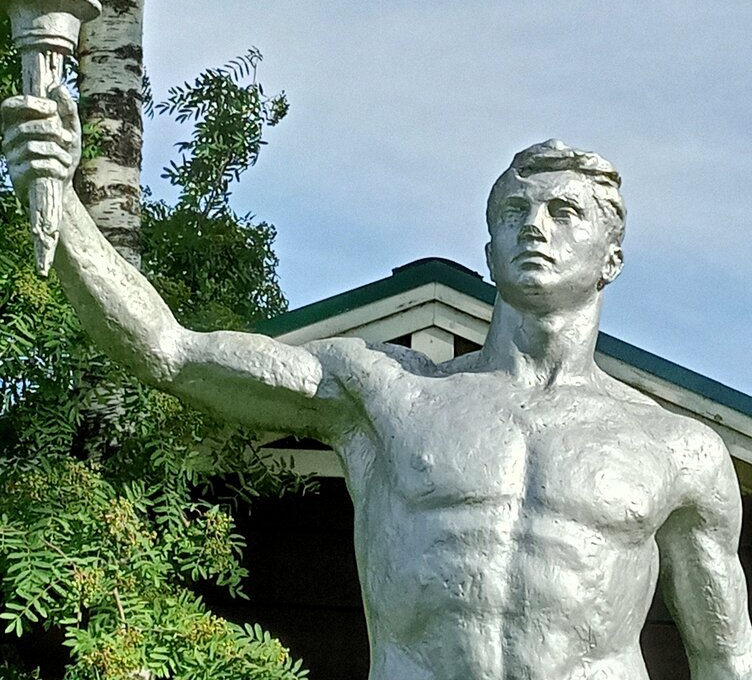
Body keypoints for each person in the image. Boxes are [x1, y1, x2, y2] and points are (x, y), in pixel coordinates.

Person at [3, 98, 752, 680]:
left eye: (565, 213)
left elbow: (724, 658)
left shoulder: (679, 449)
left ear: (611, 257)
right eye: (514, 213)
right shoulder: (388, 392)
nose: (536, 228)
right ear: (486, 248)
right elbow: (170, 353)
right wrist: (60, 198)